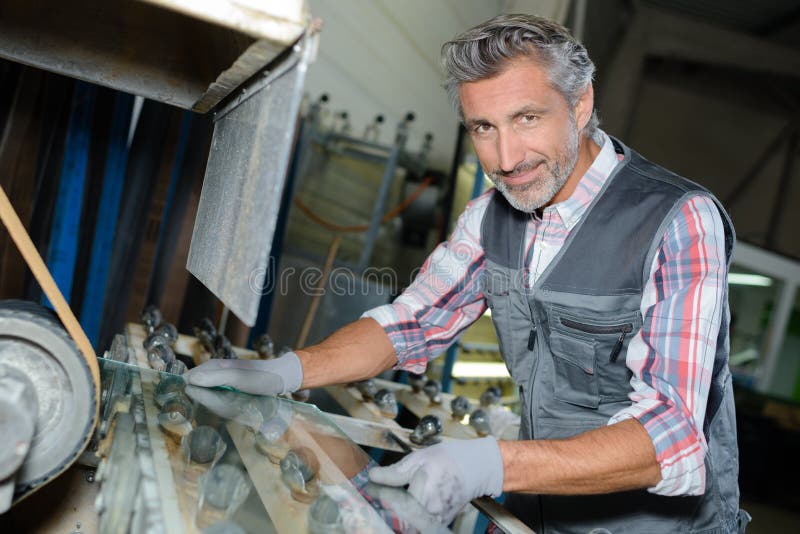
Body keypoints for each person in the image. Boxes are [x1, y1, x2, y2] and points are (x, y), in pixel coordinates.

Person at [186, 14, 749, 533]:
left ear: (580, 105)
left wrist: (488, 464)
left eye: (526, 118)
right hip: (539, 510)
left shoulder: (676, 221)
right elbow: (410, 323)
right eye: (483, 127)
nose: (506, 157)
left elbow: (671, 440)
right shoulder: (492, 217)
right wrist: (286, 371)